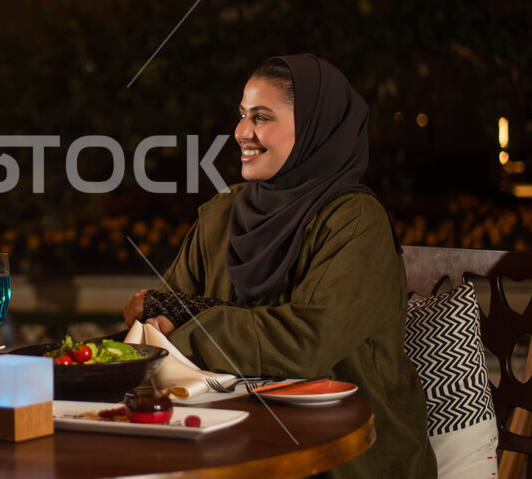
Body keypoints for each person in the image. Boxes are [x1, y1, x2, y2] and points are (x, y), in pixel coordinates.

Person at [125, 54, 436, 478]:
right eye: (241, 115)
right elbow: (158, 324)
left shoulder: (355, 221)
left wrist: (187, 315)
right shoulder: (222, 215)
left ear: (313, 128)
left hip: (344, 456)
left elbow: (307, 343)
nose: (240, 133)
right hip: (225, 438)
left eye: (261, 117)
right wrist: (161, 320)